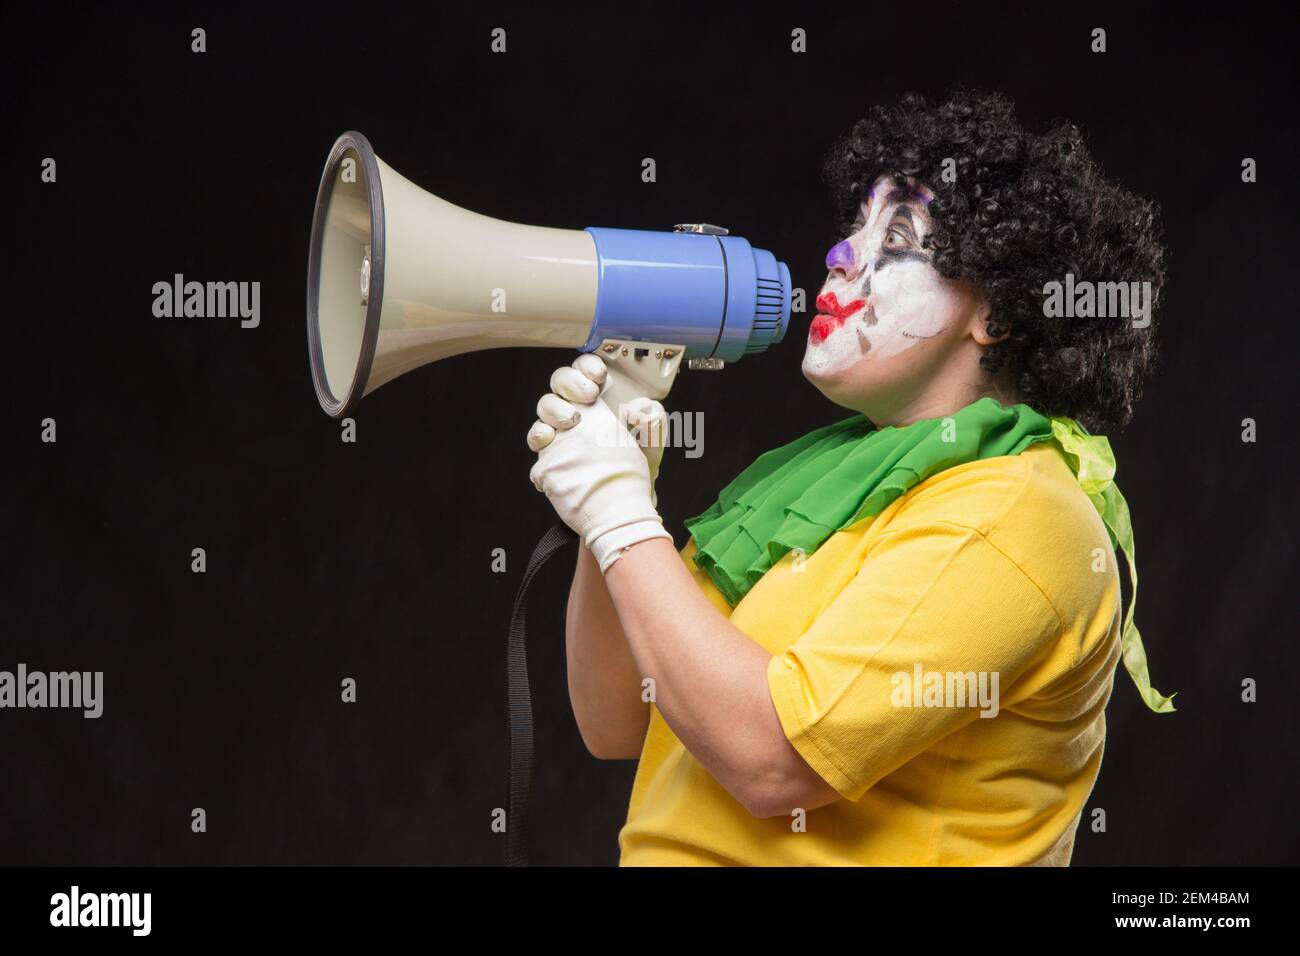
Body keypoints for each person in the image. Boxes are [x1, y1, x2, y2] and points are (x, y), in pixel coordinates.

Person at [526, 88, 1174, 866]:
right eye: (852, 225)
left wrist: (619, 513)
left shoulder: (1017, 514)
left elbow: (774, 759)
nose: (838, 254)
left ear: (995, 315)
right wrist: (615, 514)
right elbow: (617, 720)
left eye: (895, 234)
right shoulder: (825, 487)